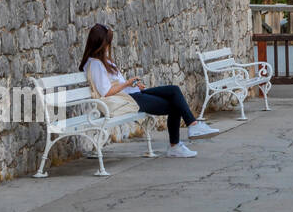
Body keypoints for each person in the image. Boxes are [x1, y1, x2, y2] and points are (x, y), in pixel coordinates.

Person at [79, 24, 219, 157]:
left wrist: (133, 84)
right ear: (100, 43)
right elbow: (106, 91)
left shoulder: (104, 61)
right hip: (128, 101)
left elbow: (116, 83)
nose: (109, 45)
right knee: (175, 104)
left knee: (174, 91)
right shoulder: (95, 64)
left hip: (132, 94)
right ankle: (177, 144)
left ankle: (192, 127)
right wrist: (127, 83)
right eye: (108, 42)